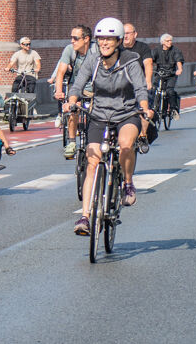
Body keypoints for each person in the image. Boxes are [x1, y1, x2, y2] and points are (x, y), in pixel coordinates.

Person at [66, 17, 153, 234]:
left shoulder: (130, 61)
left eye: (110, 39)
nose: (104, 42)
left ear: (119, 41)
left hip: (127, 113)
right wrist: (72, 102)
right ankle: (85, 217)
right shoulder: (92, 60)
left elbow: (141, 88)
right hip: (99, 114)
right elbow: (78, 84)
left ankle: (128, 182)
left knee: (125, 144)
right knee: (92, 162)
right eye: (101, 38)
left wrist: (144, 107)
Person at [55, 25, 94, 159]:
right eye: (71, 38)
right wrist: (59, 91)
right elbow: (60, 72)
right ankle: (72, 142)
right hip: (77, 87)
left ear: (86, 39)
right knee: (73, 109)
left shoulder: (96, 50)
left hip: (95, 90)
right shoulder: (69, 50)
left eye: (75, 38)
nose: (72, 41)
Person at [122, 23, 155, 143]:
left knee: (144, 108)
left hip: (139, 83)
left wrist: (148, 80)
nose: (125, 36)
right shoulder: (117, 48)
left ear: (135, 34)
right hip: (122, 84)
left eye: (128, 33)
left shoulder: (142, 48)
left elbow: (148, 63)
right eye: (123, 33)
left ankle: (142, 135)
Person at [152, 33, 185, 121]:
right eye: (167, 41)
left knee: (170, 91)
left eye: (171, 40)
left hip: (171, 74)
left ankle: (173, 109)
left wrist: (180, 69)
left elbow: (178, 60)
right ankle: (154, 108)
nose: (170, 42)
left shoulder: (175, 50)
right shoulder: (156, 50)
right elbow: (150, 60)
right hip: (159, 73)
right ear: (162, 42)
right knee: (154, 89)